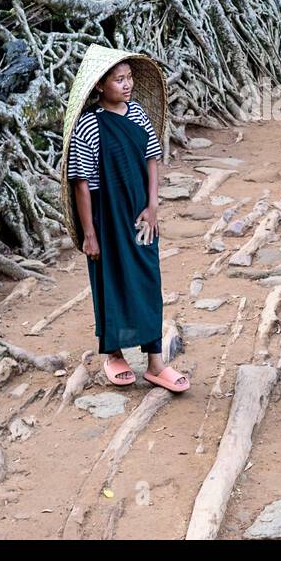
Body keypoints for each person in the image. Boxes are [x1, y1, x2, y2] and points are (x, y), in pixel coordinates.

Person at [63, 46, 189, 393]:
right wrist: (90, 233)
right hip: (106, 214)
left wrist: (153, 206)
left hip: (138, 212)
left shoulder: (137, 115)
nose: (127, 84)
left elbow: (152, 160)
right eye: (119, 79)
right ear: (100, 86)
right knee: (110, 280)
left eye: (129, 77)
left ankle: (155, 362)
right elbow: (82, 183)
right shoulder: (88, 125)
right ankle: (114, 353)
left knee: (148, 280)